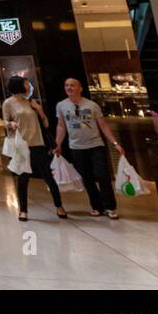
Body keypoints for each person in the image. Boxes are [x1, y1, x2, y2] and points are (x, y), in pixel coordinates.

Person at [55, 78, 124, 219]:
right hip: (76, 147)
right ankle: (96, 206)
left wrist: (115, 143)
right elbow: (61, 126)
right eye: (66, 85)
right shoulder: (61, 106)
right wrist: (58, 143)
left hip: (95, 145)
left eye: (72, 85)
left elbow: (103, 125)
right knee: (86, 178)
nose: (69, 88)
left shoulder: (92, 105)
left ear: (80, 88)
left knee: (102, 175)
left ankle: (109, 207)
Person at [2, 75, 65, 221]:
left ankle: (59, 205)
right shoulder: (8, 103)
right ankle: (23, 210)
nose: (29, 86)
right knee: (23, 178)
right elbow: (5, 120)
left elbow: (46, 123)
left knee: (47, 176)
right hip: (21, 145)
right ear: (19, 86)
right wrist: (10, 124)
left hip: (38, 143)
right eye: (26, 83)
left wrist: (39, 110)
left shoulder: (31, 102)